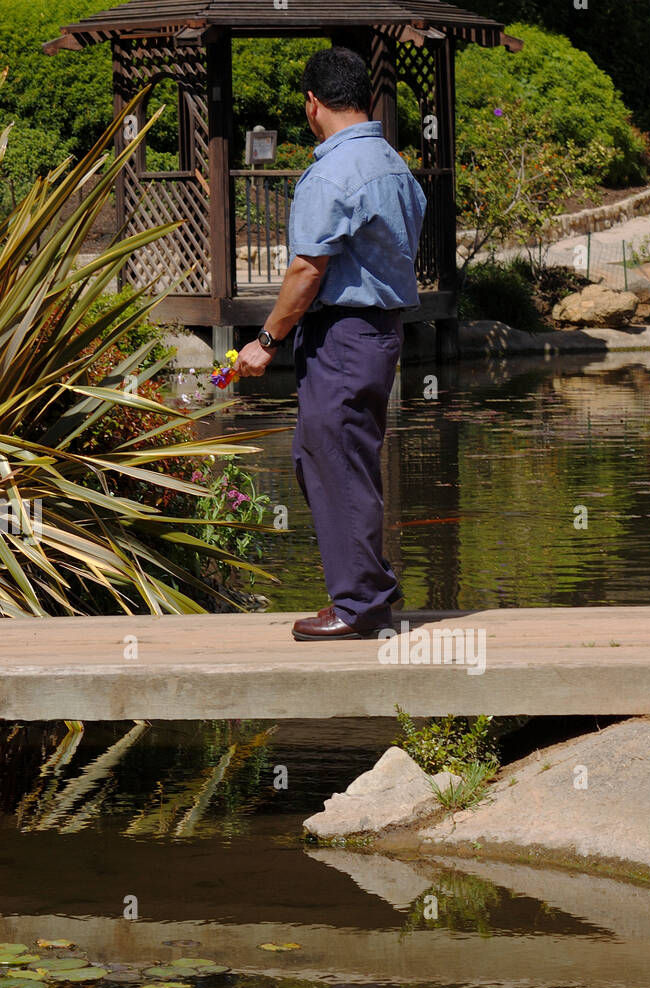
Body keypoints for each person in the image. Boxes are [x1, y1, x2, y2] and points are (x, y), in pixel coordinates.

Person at [235, 47, 426, 640]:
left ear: (313, 103)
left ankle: (360, 605)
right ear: (364, 97)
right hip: (379, 333)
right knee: (344, 459)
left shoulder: (333, 172)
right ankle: (366, 593)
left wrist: (266, 340)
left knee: (333, 461)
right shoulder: (394, 164)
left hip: (343, 335)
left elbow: (306, 271)